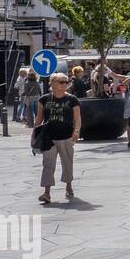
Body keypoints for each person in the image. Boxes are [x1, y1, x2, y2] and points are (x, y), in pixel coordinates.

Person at [32, 71, 81, 205]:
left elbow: (77, 118)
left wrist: (76, 131)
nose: (65, 84)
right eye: (61, 82)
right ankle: (47, 193)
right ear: (52, 83)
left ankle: (68, 186)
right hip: (49, 137)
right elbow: (39, 119)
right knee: (48, 165)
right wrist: (34, 134)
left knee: (67, 163)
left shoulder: (72, 99)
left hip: (66, 136)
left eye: (66, 82)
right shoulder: (44, 99)